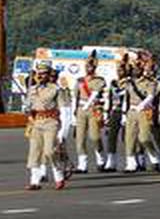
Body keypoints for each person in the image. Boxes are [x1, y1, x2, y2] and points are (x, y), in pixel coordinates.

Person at [24, 60, 66, 190]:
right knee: (34, 152)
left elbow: (64, 110)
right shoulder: (32, 89)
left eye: (44, 73)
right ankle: (34, 181)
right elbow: (28, 106)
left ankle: (58, 176)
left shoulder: (55, 89)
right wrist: (26, 108)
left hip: (50, 122)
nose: (40, 76)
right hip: (36, 122)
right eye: (39, 73)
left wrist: (63, 131)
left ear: (48, 75)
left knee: (49, 152)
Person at [73, 52, 106, 173]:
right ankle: (82, 164)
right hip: (81, 110)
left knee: (95, 136)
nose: (88, 68)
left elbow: (95, 94)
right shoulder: (80, 81)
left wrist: (87, 105)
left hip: (93, 109)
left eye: (91, 66)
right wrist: (74, 111)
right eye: (87, 66)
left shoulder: (99, 80)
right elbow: (75, 96)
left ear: (95, 67)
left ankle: (100, 158)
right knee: (80, 138)